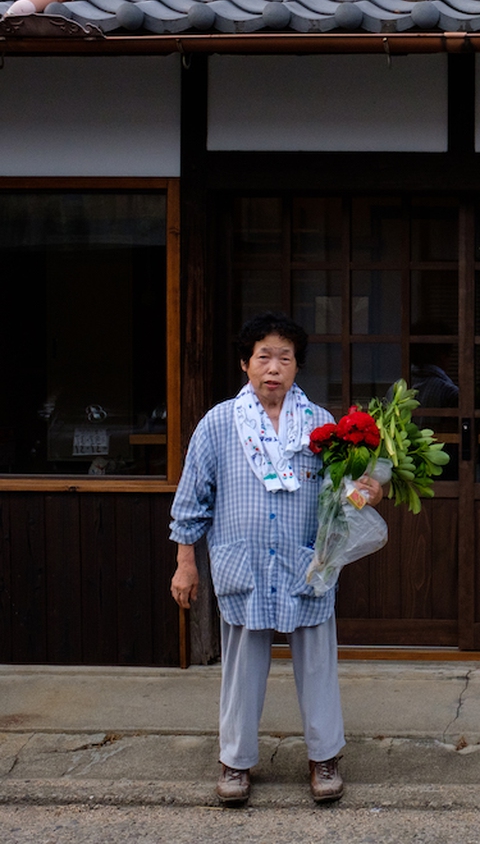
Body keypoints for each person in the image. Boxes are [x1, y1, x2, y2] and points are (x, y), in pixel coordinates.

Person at [168, 312, 383, 806]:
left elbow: (342, 494)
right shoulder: (220, 422)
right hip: (243, 562)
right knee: (241, 667)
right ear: (246, 364)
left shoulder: (322, 426)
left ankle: (325, 758)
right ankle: (235, 762)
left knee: (317, 664)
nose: (273, 367)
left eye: (284, 357)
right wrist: (185, 561)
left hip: (306, 561)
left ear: (296, 368)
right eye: (263, 356)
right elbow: (192, 497)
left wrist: (368, 491)